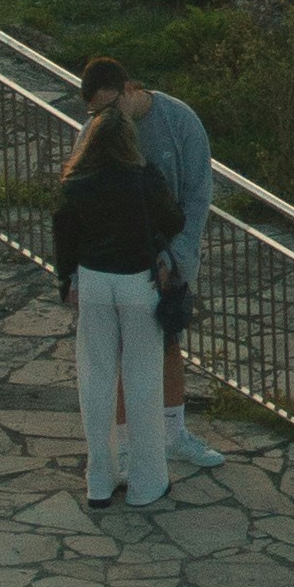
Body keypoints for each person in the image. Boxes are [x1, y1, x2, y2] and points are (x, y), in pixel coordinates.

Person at [81, 48, 224, 474]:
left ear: (130, 89)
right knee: (123, 351)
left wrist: (175, 260)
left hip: (168, 262)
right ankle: (124, 446)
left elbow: (197, 195)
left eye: (109, 107)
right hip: (119, 263)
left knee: (168, 344)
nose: (103, 119)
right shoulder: (95, 131)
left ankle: (173, 433)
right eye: (96, 112)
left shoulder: (180, 121)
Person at [52, 80, 183, 509]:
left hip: (92, 282)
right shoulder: (143, 178)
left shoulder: (78, 180)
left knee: (95, 378)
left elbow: (63, 233)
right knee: (143, 381)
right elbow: (175, 220)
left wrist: (65, 280)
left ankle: (99, 481)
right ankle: (148, 482)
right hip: (136, 282)